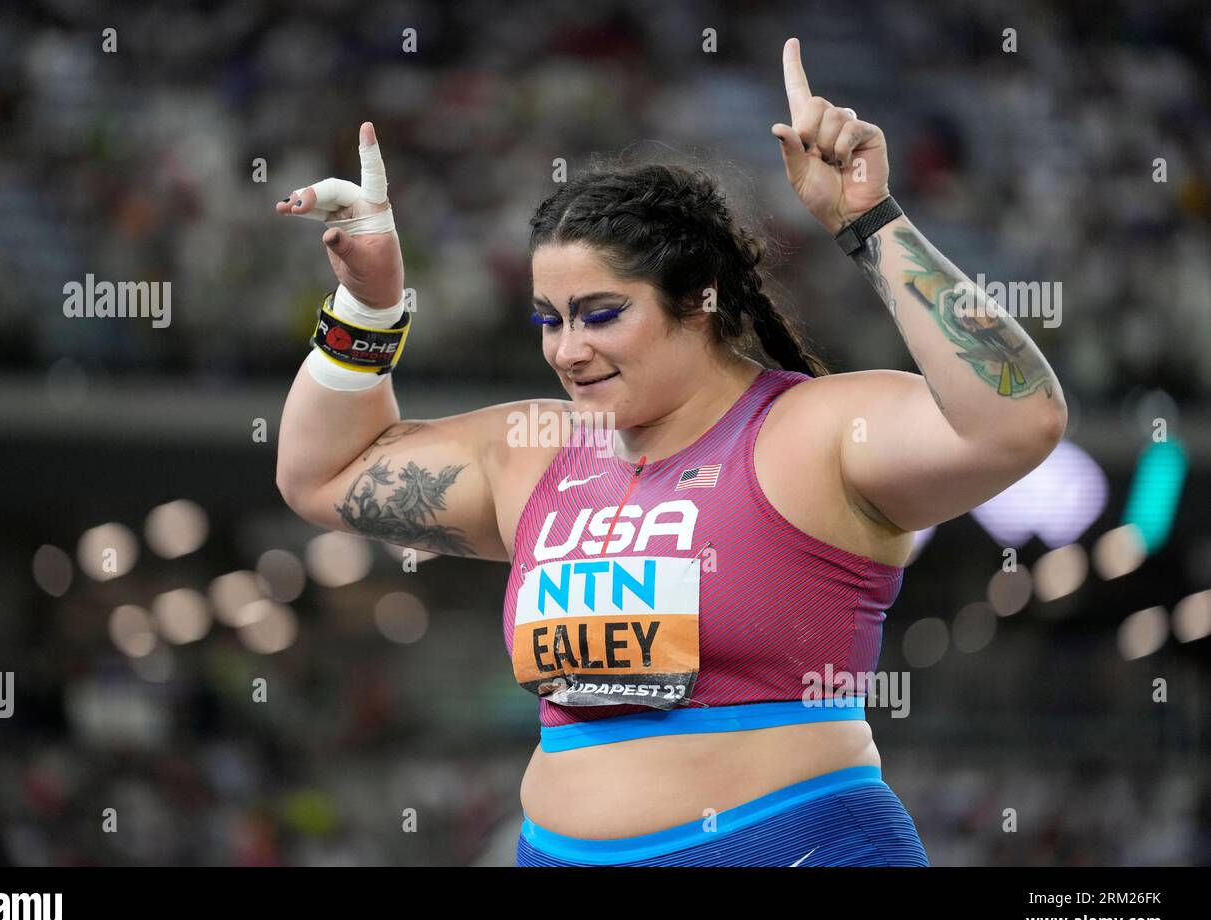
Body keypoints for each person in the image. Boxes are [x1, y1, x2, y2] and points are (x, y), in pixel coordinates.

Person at [274, 38, 1068, 866]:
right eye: (549, 318)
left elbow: (1017, 421)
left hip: (795, 846)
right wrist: (366, 309)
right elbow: (321, 474)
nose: (567, 350)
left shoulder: (816, 431)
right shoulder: (533, 454)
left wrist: (867, 221)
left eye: (600, 313)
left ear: (698, 302)